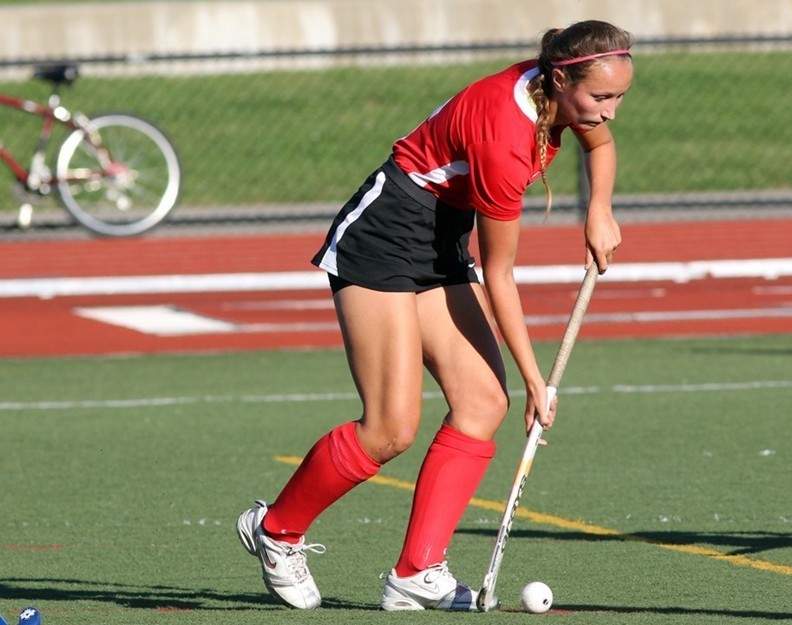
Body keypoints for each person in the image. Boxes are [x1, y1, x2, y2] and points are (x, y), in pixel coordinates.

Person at [236, 19, 634, 611]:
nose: (609, 111)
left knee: (480, 403)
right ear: (559, 78)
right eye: (600, 97)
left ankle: (417, 572)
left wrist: (598, 209)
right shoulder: (504, 132)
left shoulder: (560, 97)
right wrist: (535, 381)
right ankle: (276, 530)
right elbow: (500, 276)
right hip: (386, 235)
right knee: (391, 427)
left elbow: (598, 145)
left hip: (442, 235)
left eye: (620, 96)